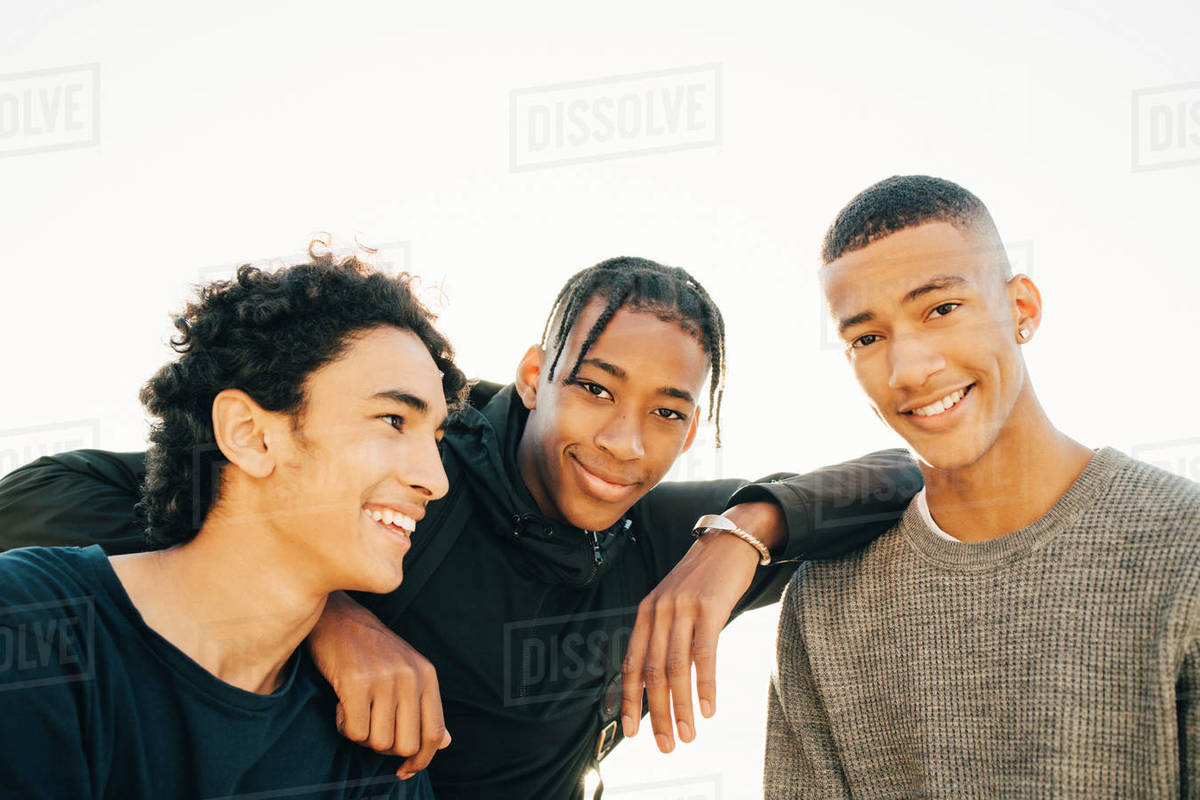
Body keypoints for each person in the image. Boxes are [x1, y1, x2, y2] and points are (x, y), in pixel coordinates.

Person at [0, 255, 922, 799]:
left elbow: (896, 479)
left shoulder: (661, 529)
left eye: (670, 414)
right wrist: (327, 615)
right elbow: (58, 491)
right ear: (533, 374)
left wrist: (741, 536)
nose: (624, 442)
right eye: (594, 388)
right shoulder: (426, 477)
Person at [764, 175, 1200, 797]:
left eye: (941, 309)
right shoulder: (823, 607)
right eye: (867, 337)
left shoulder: (1184, 548)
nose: (909, 368)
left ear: (1020, 308)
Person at [0, 249, 463, 798]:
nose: (436, 480)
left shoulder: (372, 746)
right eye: (392, 420)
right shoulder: (32, 625)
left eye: (435, 439)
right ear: (250, 434)